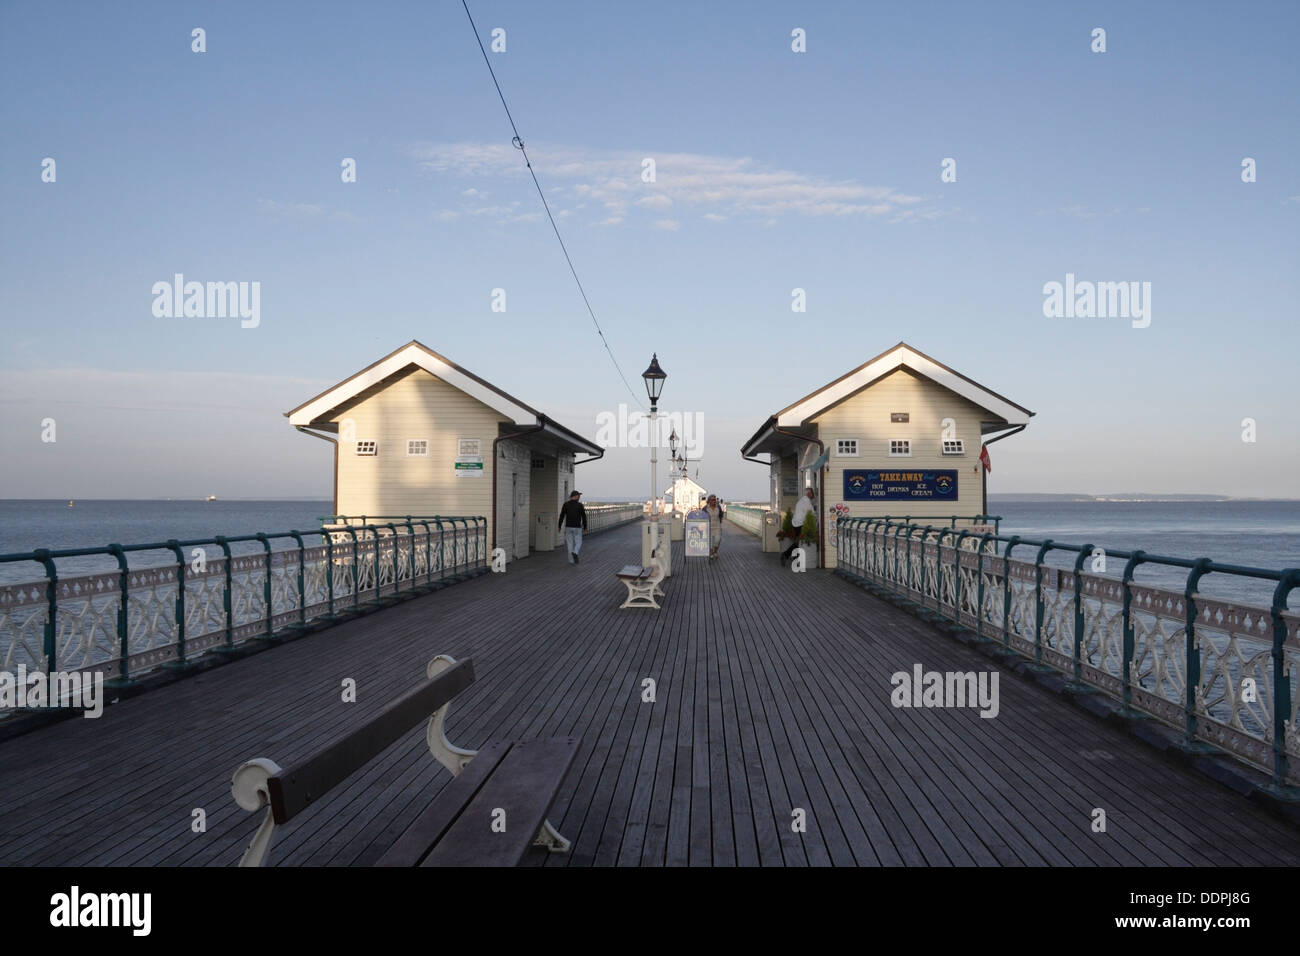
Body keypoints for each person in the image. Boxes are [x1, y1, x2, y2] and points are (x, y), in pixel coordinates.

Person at [781, 487, 816, 565]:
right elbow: (811, 514)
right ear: (809, 494)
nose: (813, 495)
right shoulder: (806, 501)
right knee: (799, 542)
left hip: (795, 523)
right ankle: (786, 554)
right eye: (812, 493)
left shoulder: (801, 500)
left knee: (798, 542)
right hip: (801, 524)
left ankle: (795, 558)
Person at [557, 490, 587, 564]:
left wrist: (559, 526)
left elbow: (562, 515)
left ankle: (571, 561)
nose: (579, 497)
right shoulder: (580, 505)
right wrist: (585, 527)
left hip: (568, 527)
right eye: (578, 496)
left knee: (570, 544)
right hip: (577, 527)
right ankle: (575, 552)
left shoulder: (566, 504)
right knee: (579, 542)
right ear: (575, 496)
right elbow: (584, 517)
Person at [704, 494, 725, 560]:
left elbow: (721, 514)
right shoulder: (705, 508)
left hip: (717, 527)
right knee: (710, 542)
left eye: (715, 499)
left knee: (717, 540)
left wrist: (720, 521)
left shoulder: (718, 507)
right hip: (709, 528)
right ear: (709, 501)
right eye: (712, 500)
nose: (714, 501)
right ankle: (711, 553)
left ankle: (715, 551)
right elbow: (702, 516)